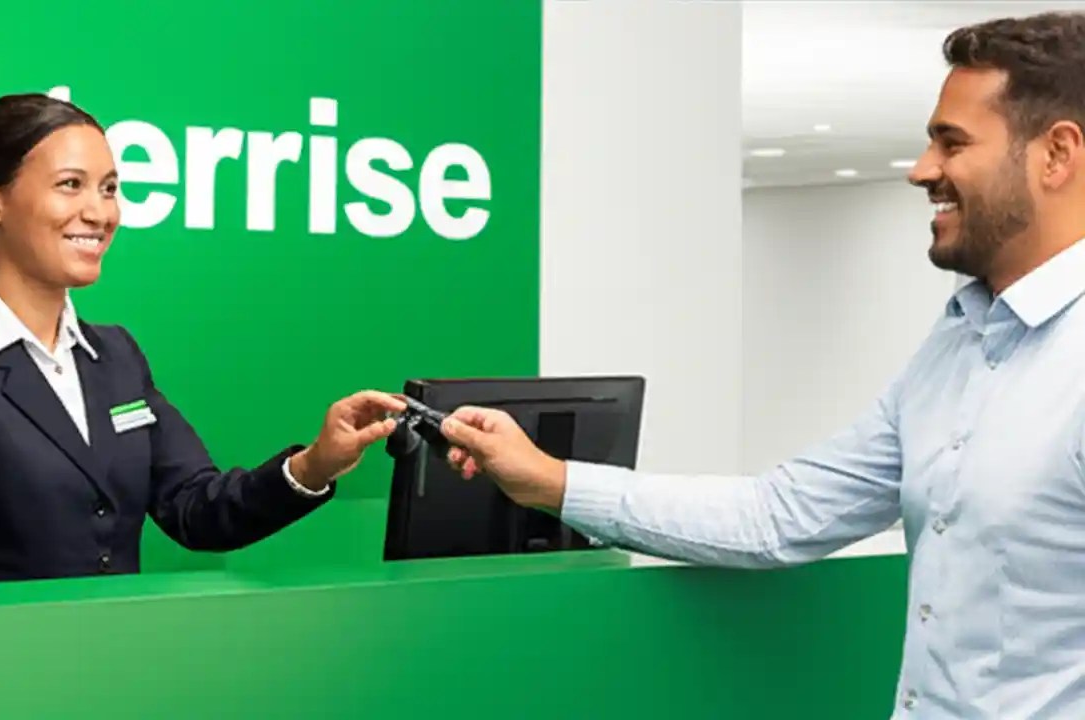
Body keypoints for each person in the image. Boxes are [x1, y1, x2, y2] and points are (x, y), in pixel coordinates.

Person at [439, 11, 1085, 719]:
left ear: (1056, 155)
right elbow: (777, 515)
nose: (921, 169)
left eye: (952, 142)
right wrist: (550, 479)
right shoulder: (957, 341)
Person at [0, 93, 405, 582]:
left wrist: (314, 464)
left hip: (124, 652)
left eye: (109, 188)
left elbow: (196, 508)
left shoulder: (116, 355)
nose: (100, 213)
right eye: (70, 185)